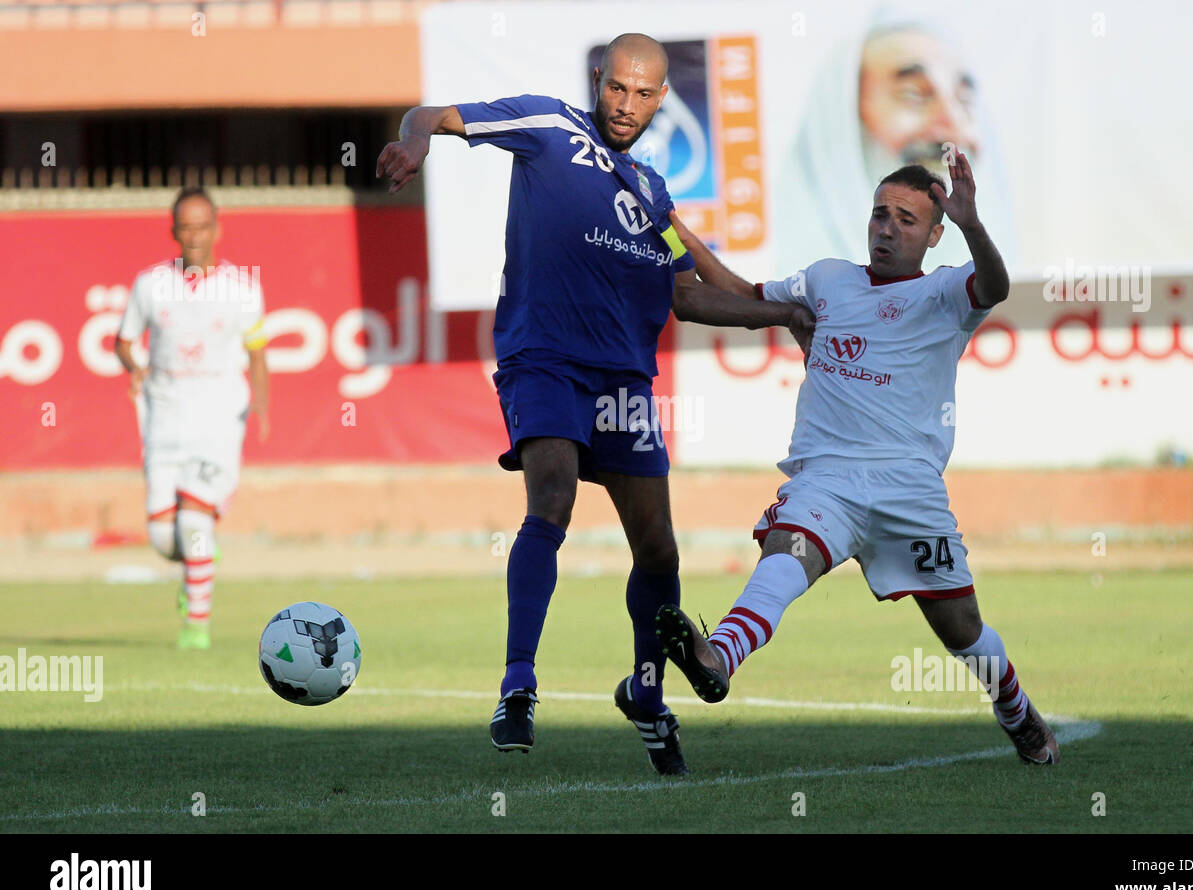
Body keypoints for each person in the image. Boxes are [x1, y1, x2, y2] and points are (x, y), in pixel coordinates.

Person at [376, 33, 813, 775]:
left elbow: (688, 290)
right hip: (543, 358)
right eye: (617, 88)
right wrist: (412, 144)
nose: (627, 104)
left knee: (661, 551)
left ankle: (646, 694)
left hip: (623, 381)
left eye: (644, 95)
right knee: (551, 498)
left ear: (662, 100)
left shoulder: (652, 192)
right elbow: (433, 113)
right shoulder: (548, 126)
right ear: (598, 80)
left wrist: (779, 313)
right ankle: (518, 684)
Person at [660, 151, 1059, 765]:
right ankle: (716, 657)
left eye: (906, 218)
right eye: (880, 214)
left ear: (934, 234)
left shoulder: (946, 290)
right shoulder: (827, 278)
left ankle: (1015, 711)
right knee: (785, 556)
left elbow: (996, 286)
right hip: (828, 478)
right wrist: (675, 229)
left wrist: (975, 224)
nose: (887, 228)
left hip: (909, 487)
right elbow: (737, 293)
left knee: (963, 633)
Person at [115, 187, 270, 651]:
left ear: (217, 229)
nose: (195, 235)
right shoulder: (149, 285)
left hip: (220, 418)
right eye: (186, 226)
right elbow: (122, 341)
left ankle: (195, 627)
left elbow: (257, 351)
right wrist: (133, 363)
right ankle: (198, 561)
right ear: (173, 231)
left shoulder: (242, 288)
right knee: (164, 537)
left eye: (203, 225)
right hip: (163, 418)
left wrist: (261, 405)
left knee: (194, 522)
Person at [776, 8, 1017, 274]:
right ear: (844, 119)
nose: (952, 123)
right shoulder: (808, 282)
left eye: (964, 99)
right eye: (914, 94)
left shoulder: (966, 287)